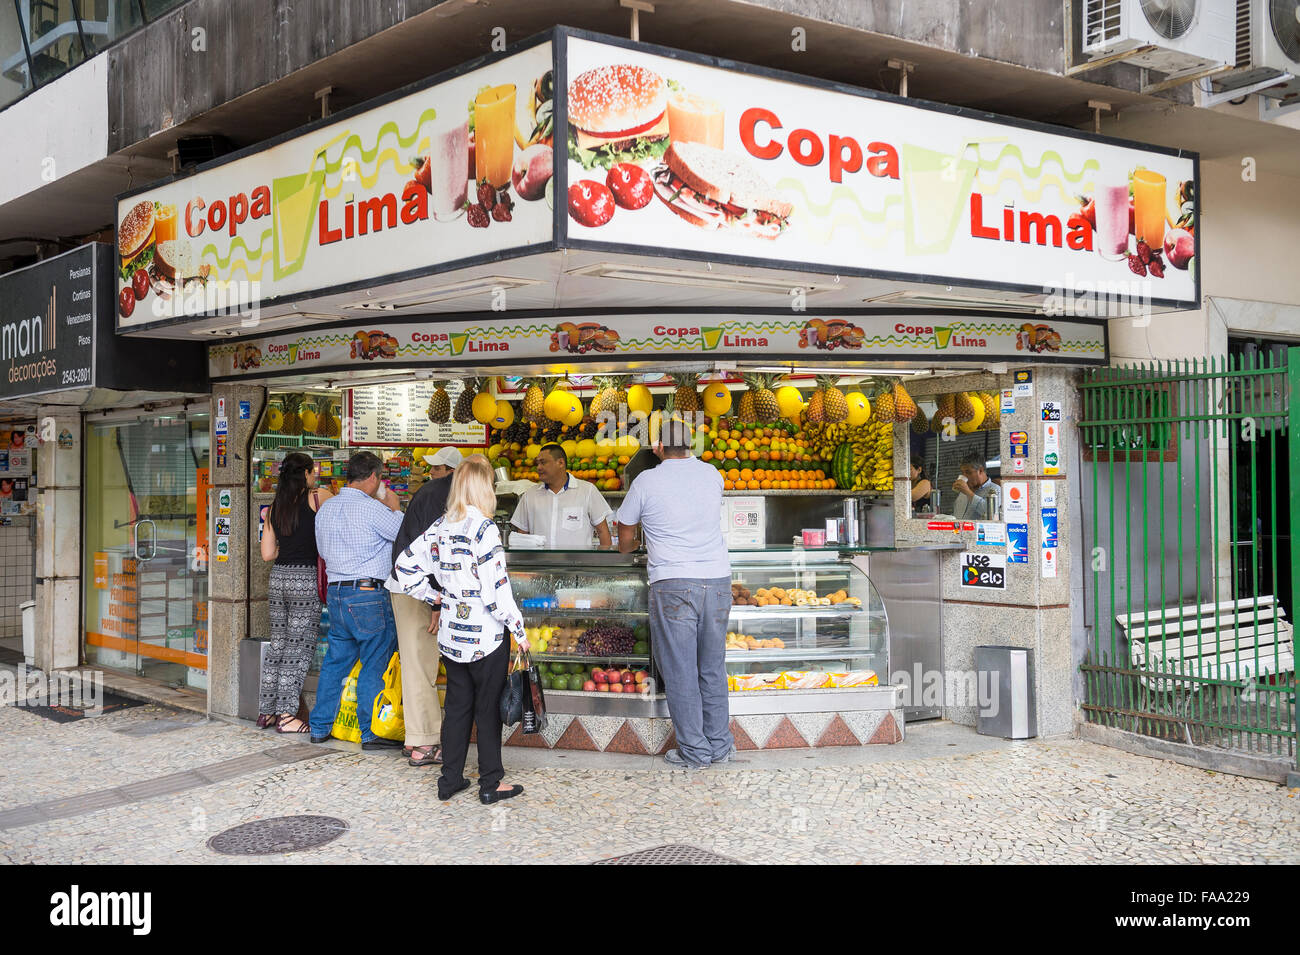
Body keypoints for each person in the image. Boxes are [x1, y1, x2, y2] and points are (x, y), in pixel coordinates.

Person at [387, 454, 531, 804]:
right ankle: (490, 782)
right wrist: (520, 631)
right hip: (485, 635)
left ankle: (449, 779)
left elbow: (401, 571)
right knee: (486, 709)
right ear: (484, 487)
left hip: (452, 634)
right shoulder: (484, 528)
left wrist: (435, 595)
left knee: (457, 706)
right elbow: (496, 593)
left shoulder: (440, 526)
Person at [616, 416, 733, 770]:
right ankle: (719, 745)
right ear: (692, 446)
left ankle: (695, 752)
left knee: (680, 669)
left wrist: (635, 542)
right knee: (711, 667)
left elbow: (624, 539)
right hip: (717, 580)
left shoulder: (646, 480)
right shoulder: (714, 475)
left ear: (658, 448)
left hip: (673, 583)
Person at [309, 451, 405, 749]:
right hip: (367, 595)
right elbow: (404, 535)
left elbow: (322, 552)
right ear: (374, 477)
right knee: (375, 661)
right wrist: (396, 508)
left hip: (336, 593)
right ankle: (370, 731)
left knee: (335, 663)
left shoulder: (326, 508)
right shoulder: (372, 509)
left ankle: (319, 726)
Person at [388, 449, 458, 767]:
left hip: (416, 588)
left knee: (420, 662)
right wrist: (436, 600)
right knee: (421, 664)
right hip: (417, 590)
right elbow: (433, 552)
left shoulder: (438, 493)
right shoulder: (439, 495)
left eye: (437, 468)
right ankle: (423, 743)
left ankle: (418, 738)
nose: (431, 473)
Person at [257, 453, 334, 732]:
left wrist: (286, 548)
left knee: (278, 646)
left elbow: (267, 554)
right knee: (298, 649)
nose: (315, 475)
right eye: (312, 471)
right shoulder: (318, 497)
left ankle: (267, 712)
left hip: (278, 578)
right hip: (305, 579)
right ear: (305, 474)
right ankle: (288, 716)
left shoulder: (275, 507)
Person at [510, 443, 612, 549]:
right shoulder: (530, 495)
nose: (539, 468)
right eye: (537, 463)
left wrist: (602, 563)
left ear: (561, 463)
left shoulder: (587, 491)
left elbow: (603, 532)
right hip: (540, 564)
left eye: (543, 462)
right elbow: (522, 537)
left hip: (578, 564)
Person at [952, 455, 1001, 520]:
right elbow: (957, 515)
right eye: (962, 473)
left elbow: (989, 514)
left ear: (980, 471)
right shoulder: (963, 492)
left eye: (968, 472)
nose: (964, 476)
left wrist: (968, 492)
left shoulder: (995, 490)